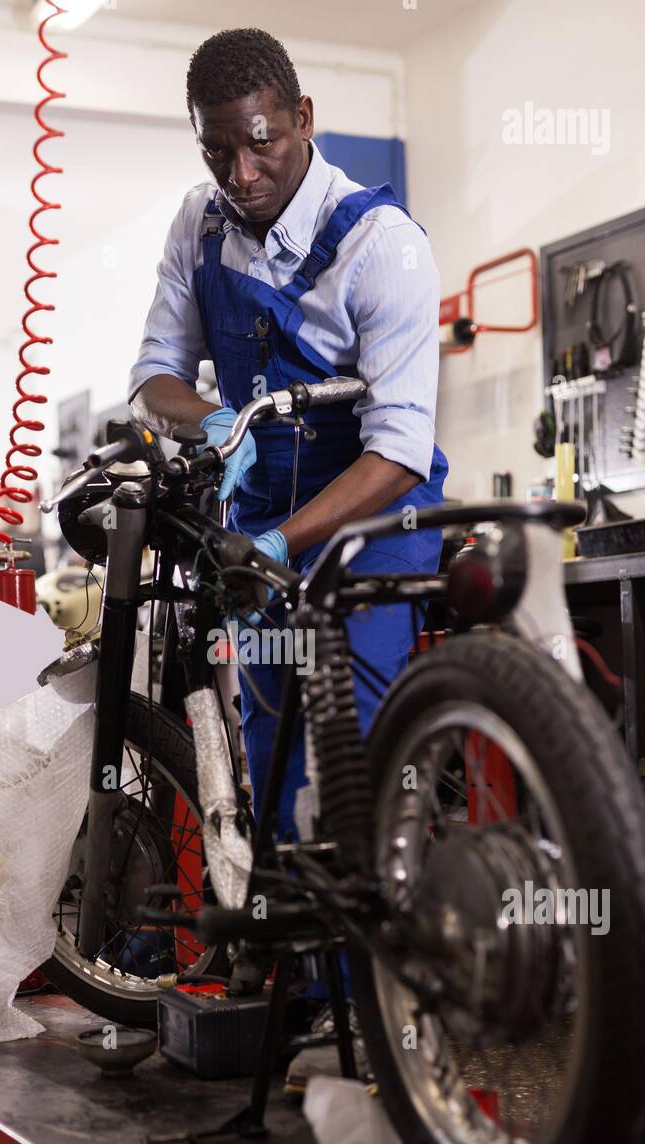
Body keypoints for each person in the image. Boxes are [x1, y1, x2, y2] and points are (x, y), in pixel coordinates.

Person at [129, 27, 447, 838]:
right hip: (257, 530)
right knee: (271, 763)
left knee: (349, 760)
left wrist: (280, 546)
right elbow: (153, 381)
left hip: (370, 528)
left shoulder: (383, 248)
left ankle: (368, 961)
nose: (241, 175)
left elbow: (401, 450)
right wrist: (213, 424)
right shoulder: (199, 225)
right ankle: (294, 963)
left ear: (303, 117)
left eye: (261, 143)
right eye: (218, 151)